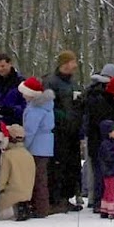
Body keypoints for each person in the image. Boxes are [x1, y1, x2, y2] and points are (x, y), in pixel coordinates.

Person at [82, 69, 114, 213]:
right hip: (99, 142)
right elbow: (99, 122)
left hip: (103, 141)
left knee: (106, 173)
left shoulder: (107, 100)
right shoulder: (101, 102)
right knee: (101, 173)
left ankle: (107, 199)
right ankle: (99, 200)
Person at [45, 52, 83, 212]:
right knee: (57, 166)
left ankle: (66, 197)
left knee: (71, 165)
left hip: (72, 131)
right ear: (65, 63)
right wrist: (63, 117)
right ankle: (55, 198)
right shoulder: (51, 82)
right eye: (72, 62)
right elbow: (49, 105)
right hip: (58, 131)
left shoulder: (73, 83)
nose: (75, 65)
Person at [19, 76, 55, 218]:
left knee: (37, 178)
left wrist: (23, 145)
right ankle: (42, 206)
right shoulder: (46, 106)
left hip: (36, 146)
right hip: (45, 146)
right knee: (41, 177)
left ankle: (40, 208)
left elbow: (30, 130)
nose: (23, 95)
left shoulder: (35, 109)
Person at [0, 124, 36, 221]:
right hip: (26, 200)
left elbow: (0, 182)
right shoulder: (29, 156)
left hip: (8, 204)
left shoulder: (7, 156)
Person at [97, 120, 114, 219]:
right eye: (112, 131)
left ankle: (104, 208)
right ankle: (112, 210)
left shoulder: (111, 143)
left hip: (109, 171)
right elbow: (109, 156)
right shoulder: (106, 144)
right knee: (111, 190)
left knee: (107, 190)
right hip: (109, 171)